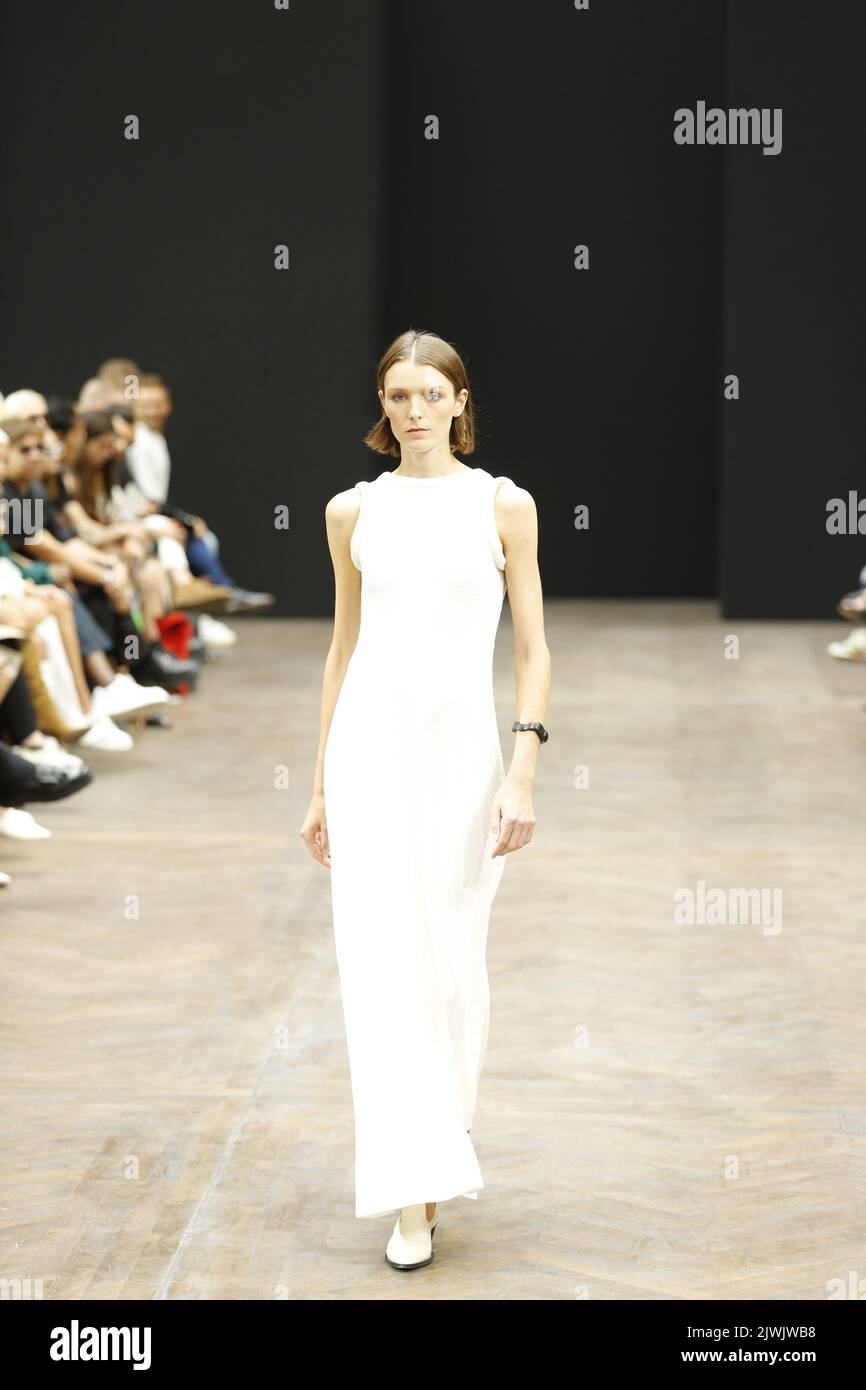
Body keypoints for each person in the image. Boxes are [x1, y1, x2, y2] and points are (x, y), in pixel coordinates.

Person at [299, 328, 551, 1270]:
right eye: (396, 395)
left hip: (461, 759)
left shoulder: (503, 505)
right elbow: (341, 651)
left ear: (458, 401)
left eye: (428, 395)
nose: (412, 411)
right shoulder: (349, 512)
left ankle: (438, 1153)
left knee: (450, 963)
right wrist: (320, 780)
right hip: (368, 752)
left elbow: (532, 648)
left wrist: (523, 766)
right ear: (383, 405)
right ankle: (412, 1197)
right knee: (381, 968)